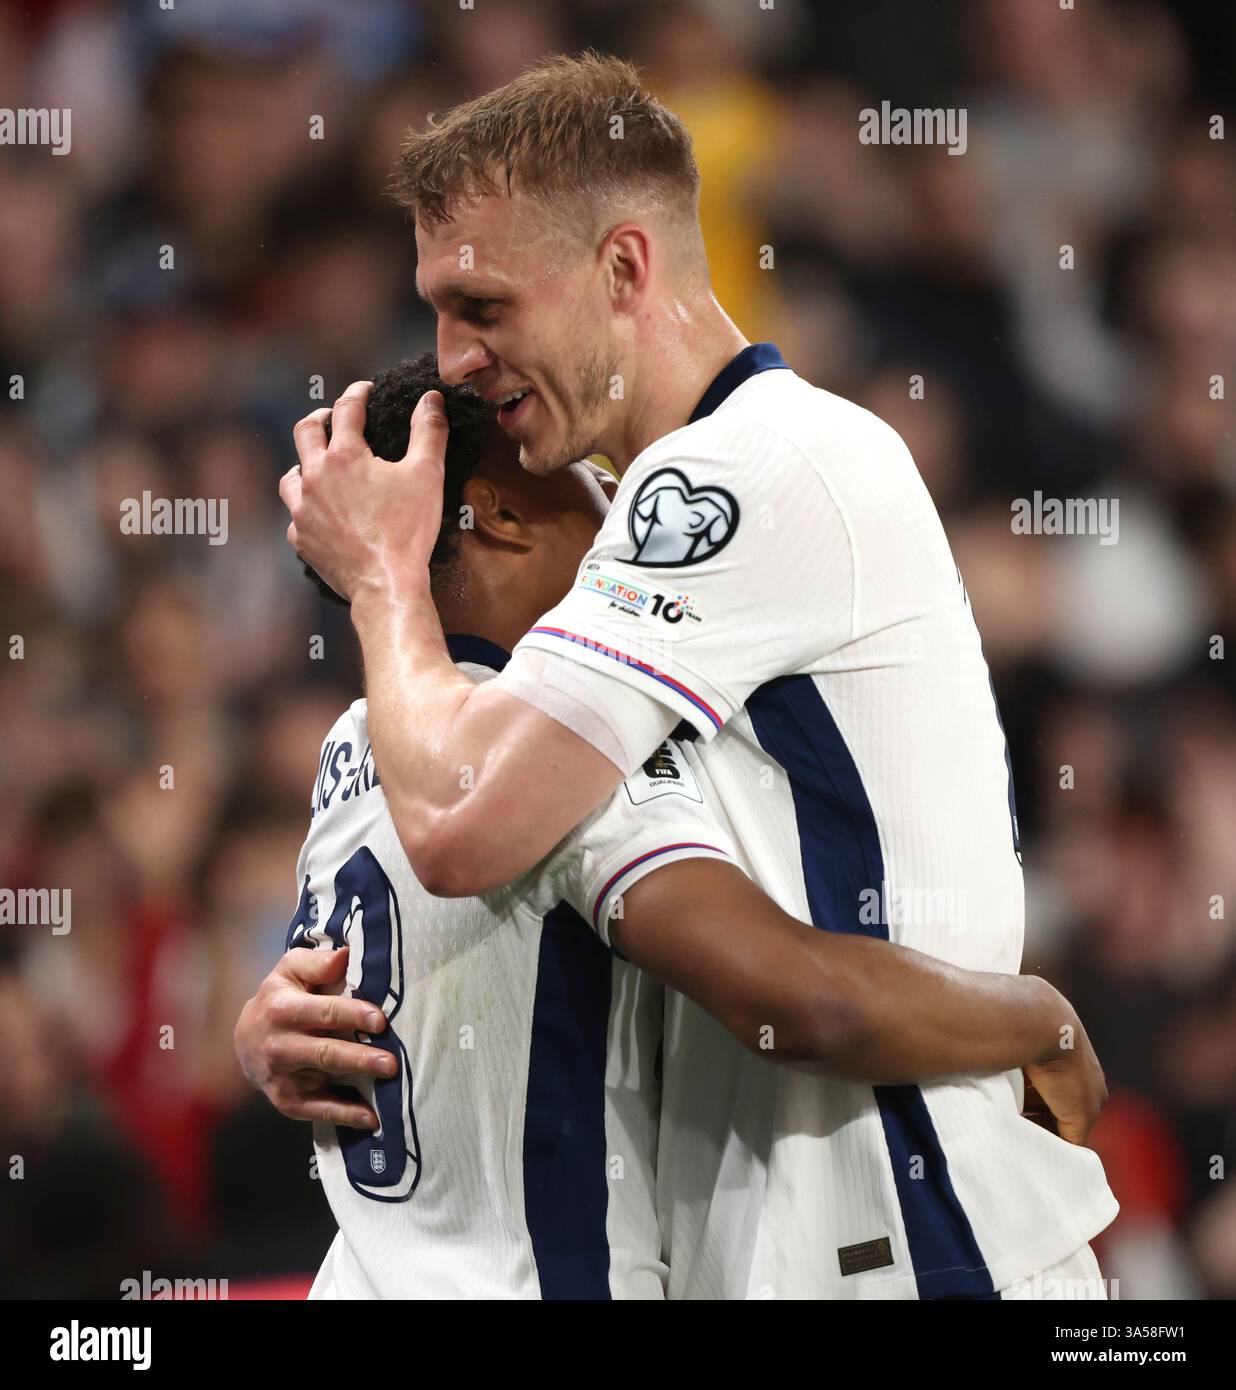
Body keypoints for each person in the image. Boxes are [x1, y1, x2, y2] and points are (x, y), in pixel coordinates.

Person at [279, 54, 1118, 1299]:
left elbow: (464, 820)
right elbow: (455, 830)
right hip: (774, 1241)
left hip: (903, 1226)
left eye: (486, 306)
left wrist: (381, 576)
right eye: (439, 310)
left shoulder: (750, 467)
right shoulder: (624, 531)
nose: (453, 358)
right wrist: (297, 1011)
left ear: (625, 268)